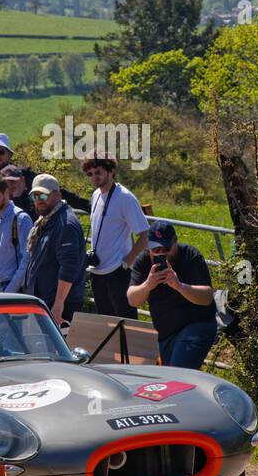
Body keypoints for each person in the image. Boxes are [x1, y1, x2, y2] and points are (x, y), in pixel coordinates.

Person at [127, 220, 217, 369]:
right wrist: (148, 285)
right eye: (155, 249)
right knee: (171, 381)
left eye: (166, 248)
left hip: (196, 326)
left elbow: (207, 297)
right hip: (166, 334)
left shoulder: (190, 256)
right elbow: (132, 299)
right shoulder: (143, 261)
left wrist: (179, 286)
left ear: (175, 242)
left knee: (178, 375)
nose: (161, 254)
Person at [82, 155, 149, 319]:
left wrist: (127, 262)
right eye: (90, 174)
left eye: (98, 172)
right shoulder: (96, 195)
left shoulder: (125, 197)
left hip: (117, 272)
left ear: (111, 171)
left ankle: (131, 347)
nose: (94, 177)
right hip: (97, 271)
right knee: (106, 324)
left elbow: (145, 235)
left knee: (126, 323)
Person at [22, 174, 86, 328]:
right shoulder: (46, 220)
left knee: (59, 351)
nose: (39, 200)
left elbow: (69, 266)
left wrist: (58, 304)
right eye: (34, 196)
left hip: (60, 305)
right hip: (45, 300)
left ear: (58, 194)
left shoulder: (65, 224)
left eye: (43, 195)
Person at [0, 131, 90, 211]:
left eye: (1, 152)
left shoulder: (23, 175)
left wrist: (89, 206)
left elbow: (53, 189)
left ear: (9, 154)